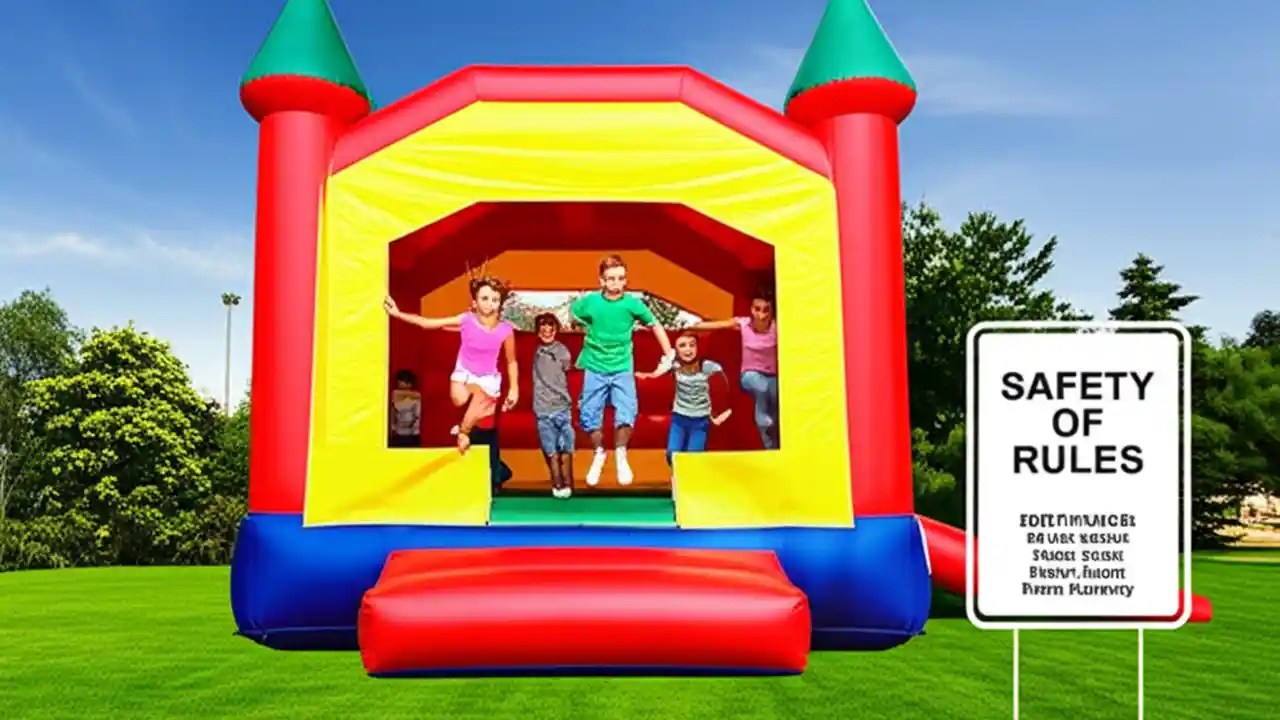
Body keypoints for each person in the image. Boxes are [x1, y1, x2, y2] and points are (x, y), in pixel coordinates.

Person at [383, 273, 518, 454]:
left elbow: (511, 361)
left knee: (485, 406)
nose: (489, 303)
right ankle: (465, 425)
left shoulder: (505, 330)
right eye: (484, 298)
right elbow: (427, 323)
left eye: (495, 299)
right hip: (464, 373)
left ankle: (463, 432)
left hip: (488, 378)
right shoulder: (466, 320)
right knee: (461, 399)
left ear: (500, 303)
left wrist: (514, 388)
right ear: (475, 303)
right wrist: (398, 314)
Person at [570, 254, 675, 486]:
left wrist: (669, 354)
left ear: (626, 280)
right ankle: (599, 452)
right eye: (611, 279)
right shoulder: (590, 302)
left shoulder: (632, 304)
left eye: (620, 278)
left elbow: (655, 325)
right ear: (602, 281)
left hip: (622, 367)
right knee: (588, 415)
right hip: (594, 366)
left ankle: (620, 453)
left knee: (627, 411)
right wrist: (582, 325)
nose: (616, 283)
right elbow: (574, 313)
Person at [686, 290, 778, 449]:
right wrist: (686, 325)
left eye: (766, 310)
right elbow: (718, 324)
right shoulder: (744, 324)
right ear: (751, 309)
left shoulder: (777, 328)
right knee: (760, 386)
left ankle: (772, 443)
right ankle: (764, 422)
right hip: (750, 375)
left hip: (773, 377)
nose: (761, 315)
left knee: (774, 397)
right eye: (757, 309)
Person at [637, 331, 732, 482]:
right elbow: (655, 374)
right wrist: (645, 375)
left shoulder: (709, 367)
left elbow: (723, 388)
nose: (688, 349)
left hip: (700, 420)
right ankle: (679, 479)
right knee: (672, 454)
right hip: (679, 418)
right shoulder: (674, 365)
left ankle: (689, 483)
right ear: (676, 350)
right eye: (682, 346)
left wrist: (721, 412)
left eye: (692, 345)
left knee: (693, 457)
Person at [531, 312, 576, 499]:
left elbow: (567, 367)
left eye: (551, 327)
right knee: (551, 450)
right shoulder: (536, 352)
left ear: (556, 330)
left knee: (566, 449)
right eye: (543, 328)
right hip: (543, 409)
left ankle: (569, 484)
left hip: (561, 407)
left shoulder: (562, 351)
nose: (547, 331)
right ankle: (557, 484)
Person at [388, 369, 422, 448]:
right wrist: (392, 428)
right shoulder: (395, 394)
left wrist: (415, 431)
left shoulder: (415, 397)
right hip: (398, 433)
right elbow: (393, 412)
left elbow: (417, 415)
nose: (399, 383)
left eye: (401, 381)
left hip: (412, 433)